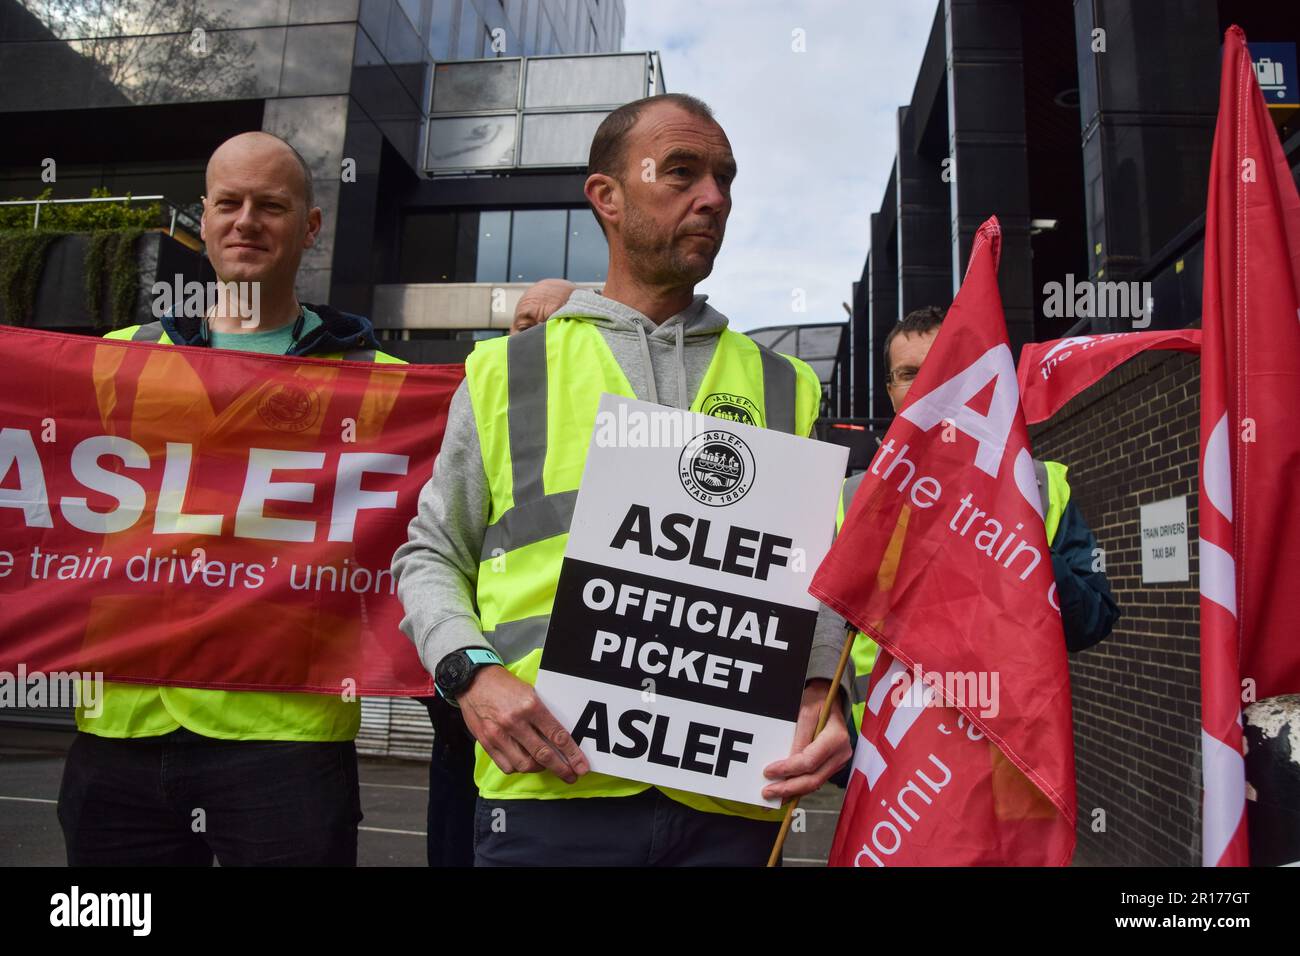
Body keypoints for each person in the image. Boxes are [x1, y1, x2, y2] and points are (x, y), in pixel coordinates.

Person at [392, 93, 853, 867]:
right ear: (606, 197)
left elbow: (819, 582)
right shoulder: (507, 371)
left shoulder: (787, 385)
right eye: (682, 172)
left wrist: (822, 693)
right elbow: (430, 553)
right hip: (547, 797)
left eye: (724, 179)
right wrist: (471, 675)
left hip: (733, 803)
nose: (714, 197)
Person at [56, 131, 403, 866]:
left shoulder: (381, 380)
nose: (247, 221)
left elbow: (499, 434)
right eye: (229, 203)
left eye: (271, 206)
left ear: (309, 228)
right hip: (121, 728)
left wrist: (551, 322)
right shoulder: (116, 359)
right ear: (203, 220)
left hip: (286, 739)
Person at [839, 306, 1120, 731]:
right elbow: (817, 632)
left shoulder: (1039, 486)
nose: (928, 384)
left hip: (1008, 753)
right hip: (884, 756)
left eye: (943, 369)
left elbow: (1092, 621)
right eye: (910, 373)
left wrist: (1013, 523)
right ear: (891, 390)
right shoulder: (851, 498)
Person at [418, 277, 578, 867]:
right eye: (521, 322)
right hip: (472, 712)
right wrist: (466, 672)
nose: (531, 333)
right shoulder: (484, 395)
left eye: (550, 322)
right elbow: (433, 548)